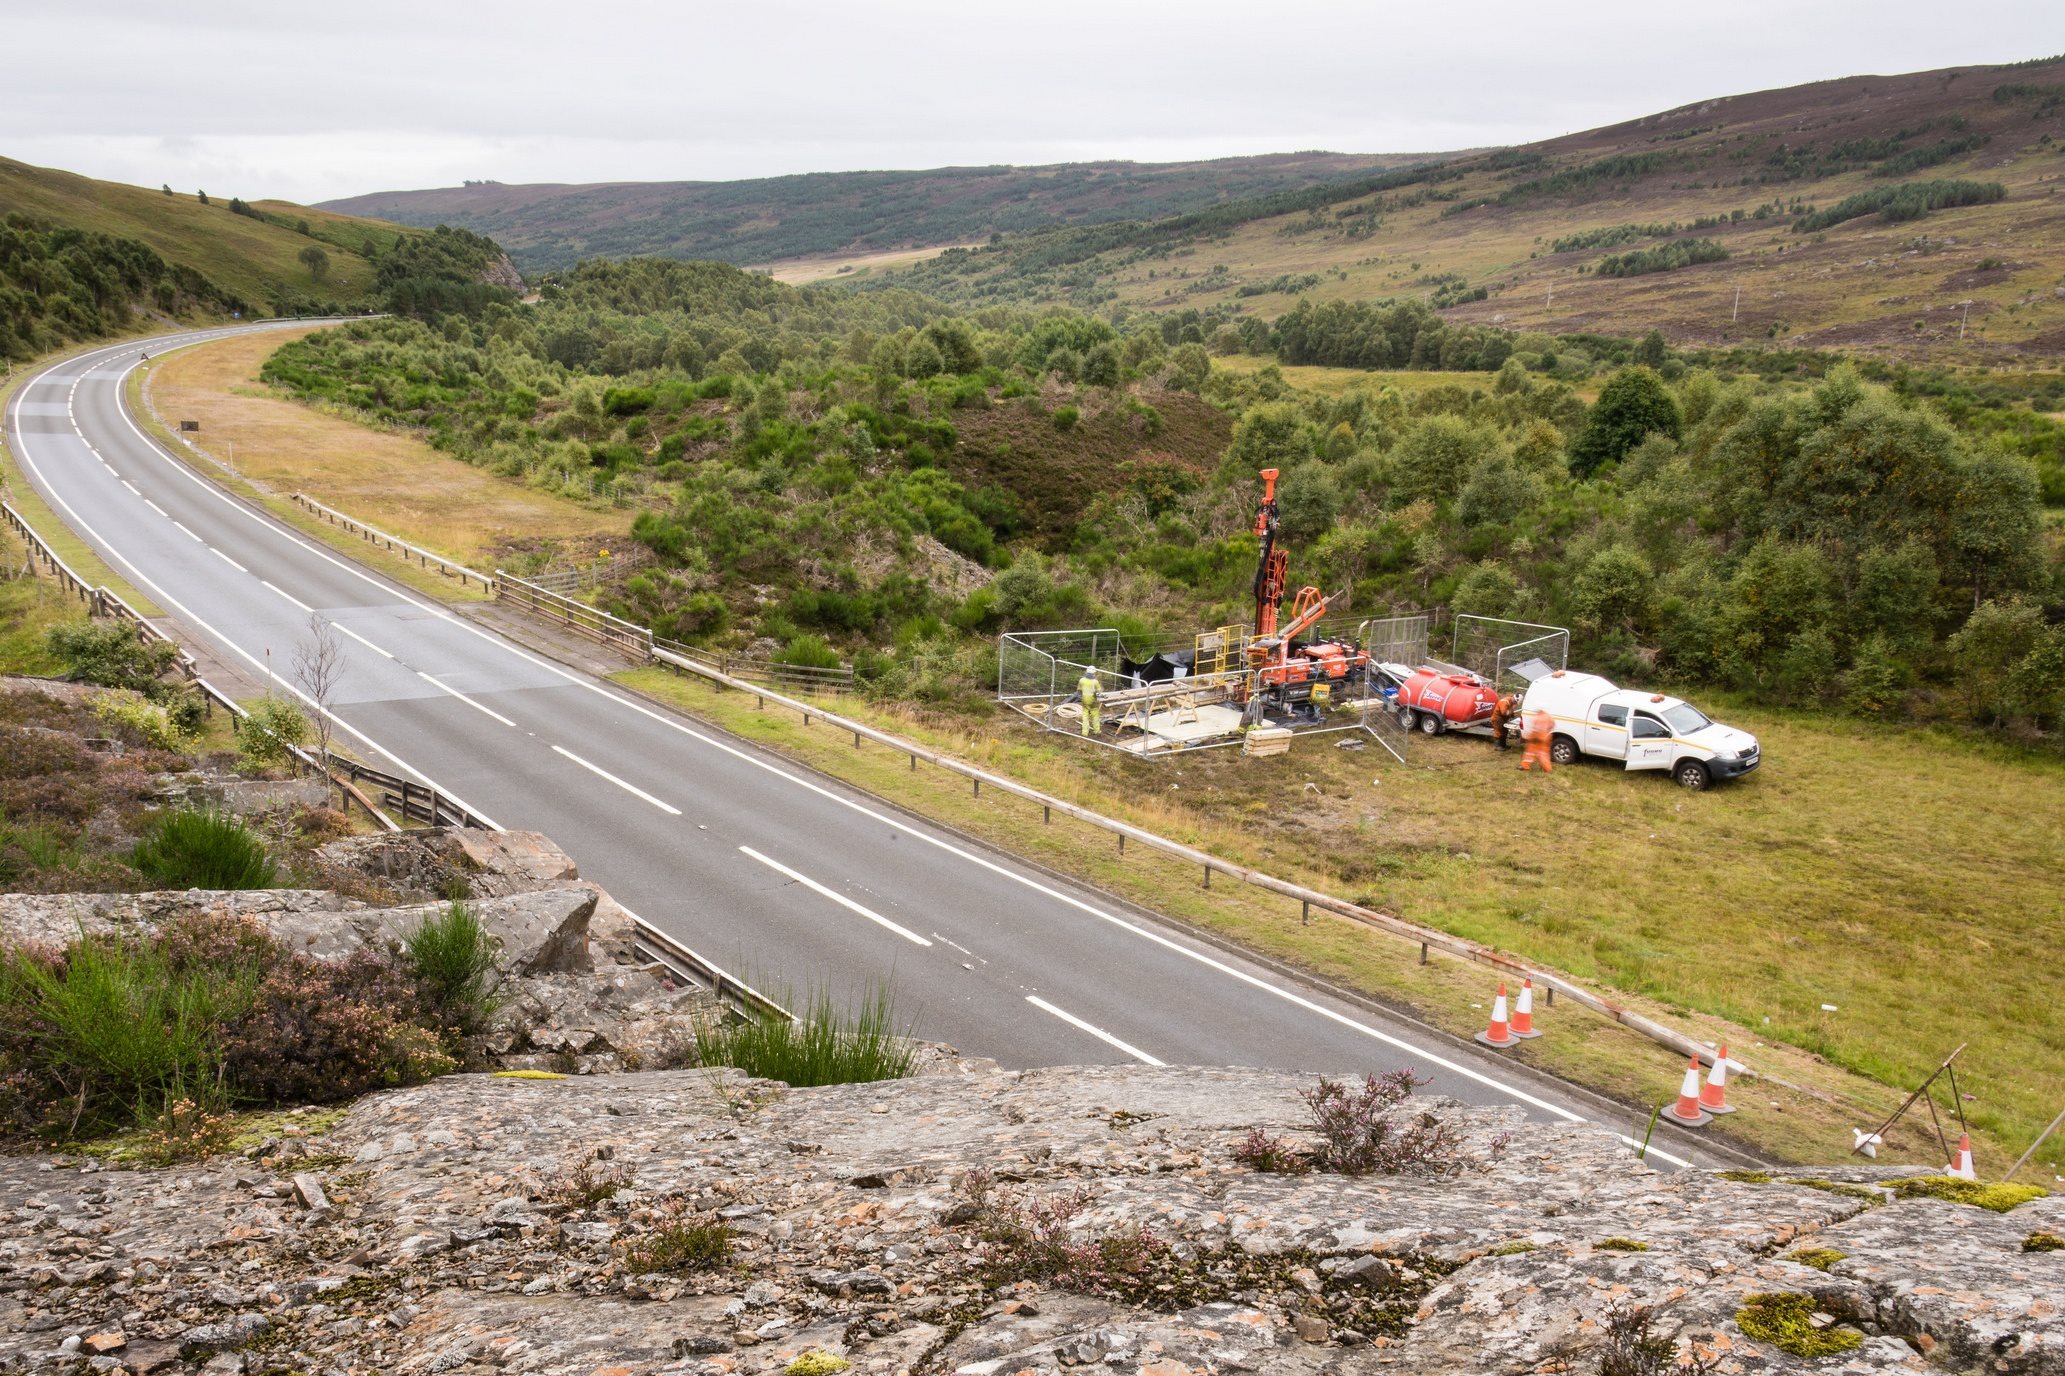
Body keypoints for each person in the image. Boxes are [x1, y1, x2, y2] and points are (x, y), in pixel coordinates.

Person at [1521, 707, 1553, 773]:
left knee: (1530, 753)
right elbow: (1552, 725)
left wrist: (1529, 737)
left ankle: (1525, 766)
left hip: (1536, 737)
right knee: (1544, 754)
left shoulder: (1537, 718)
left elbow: (1535, 730)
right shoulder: (1548, 716)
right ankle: (1547, 769)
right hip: (1546, 737)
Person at [1076, 671, 1101, 737]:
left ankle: (1085, 732)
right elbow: (1099, 691)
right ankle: (1097, 731)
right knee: (1095, 716)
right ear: (1094, 673)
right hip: (1093, 701)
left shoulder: (1082, 680)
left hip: (1084, 700)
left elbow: (1079, 690)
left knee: (1085, 717)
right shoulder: (1095, 681)